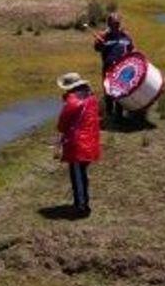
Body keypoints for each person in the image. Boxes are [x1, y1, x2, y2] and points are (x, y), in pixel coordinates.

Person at [55, 72, 100, 217]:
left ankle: (81, 206)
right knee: (82, 173)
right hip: (90, 140)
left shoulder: (72, 102)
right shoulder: (91, 97)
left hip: (77, 143)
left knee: (77, 176)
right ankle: (82, 202)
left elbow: (62, 124)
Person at [92, 13, 135, 124]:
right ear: (109, 24)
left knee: (120, 92)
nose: (115, 25)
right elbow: (97, 48)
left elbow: (132, 48)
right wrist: (98, 43)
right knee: (108, 92)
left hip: (122, 70)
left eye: (117, 23)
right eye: (112, 23)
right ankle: (109, 113)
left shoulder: (125, 35)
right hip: (108, 69)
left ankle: (119, 116)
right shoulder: (104, 36)